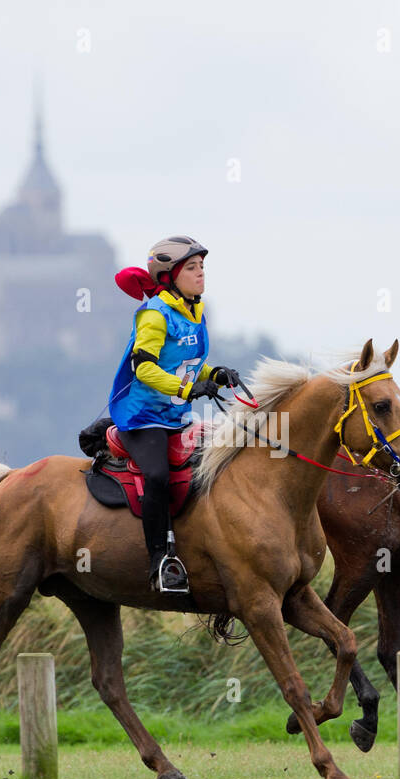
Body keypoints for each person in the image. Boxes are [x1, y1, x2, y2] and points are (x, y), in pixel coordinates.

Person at [108, 236, 243, 593]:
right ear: (169, 276)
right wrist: (187, 390)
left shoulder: (194, 311)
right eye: (192, 268)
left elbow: (188, 365)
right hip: (141, 416)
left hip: (173, 417)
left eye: (202, 268)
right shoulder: (155, 313)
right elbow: (144, 369)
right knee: (157, 477)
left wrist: (213, 375)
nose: (201, 275)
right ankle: (160, 561)